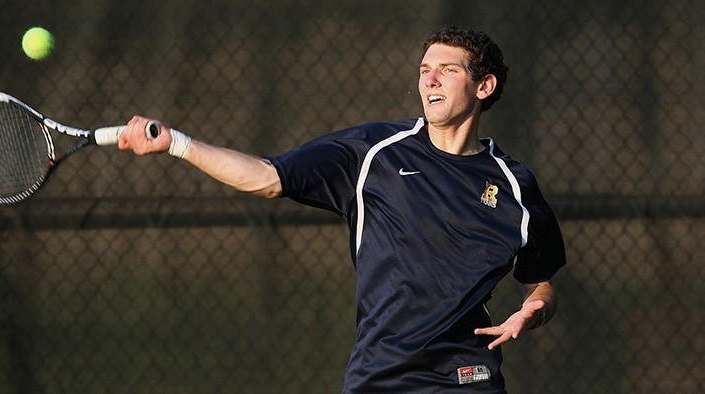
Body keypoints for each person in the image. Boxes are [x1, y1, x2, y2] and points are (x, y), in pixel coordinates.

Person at [118, 25, 566, 393]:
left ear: (483, 86)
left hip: (468, 378)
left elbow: (541, 284)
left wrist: (533, 310)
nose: (428, 81)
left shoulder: (514, 185)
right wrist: (177, 144)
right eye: (424, 70)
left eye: (446, 71)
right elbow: (267, 177)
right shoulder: (374, 152)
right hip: (381, 378)